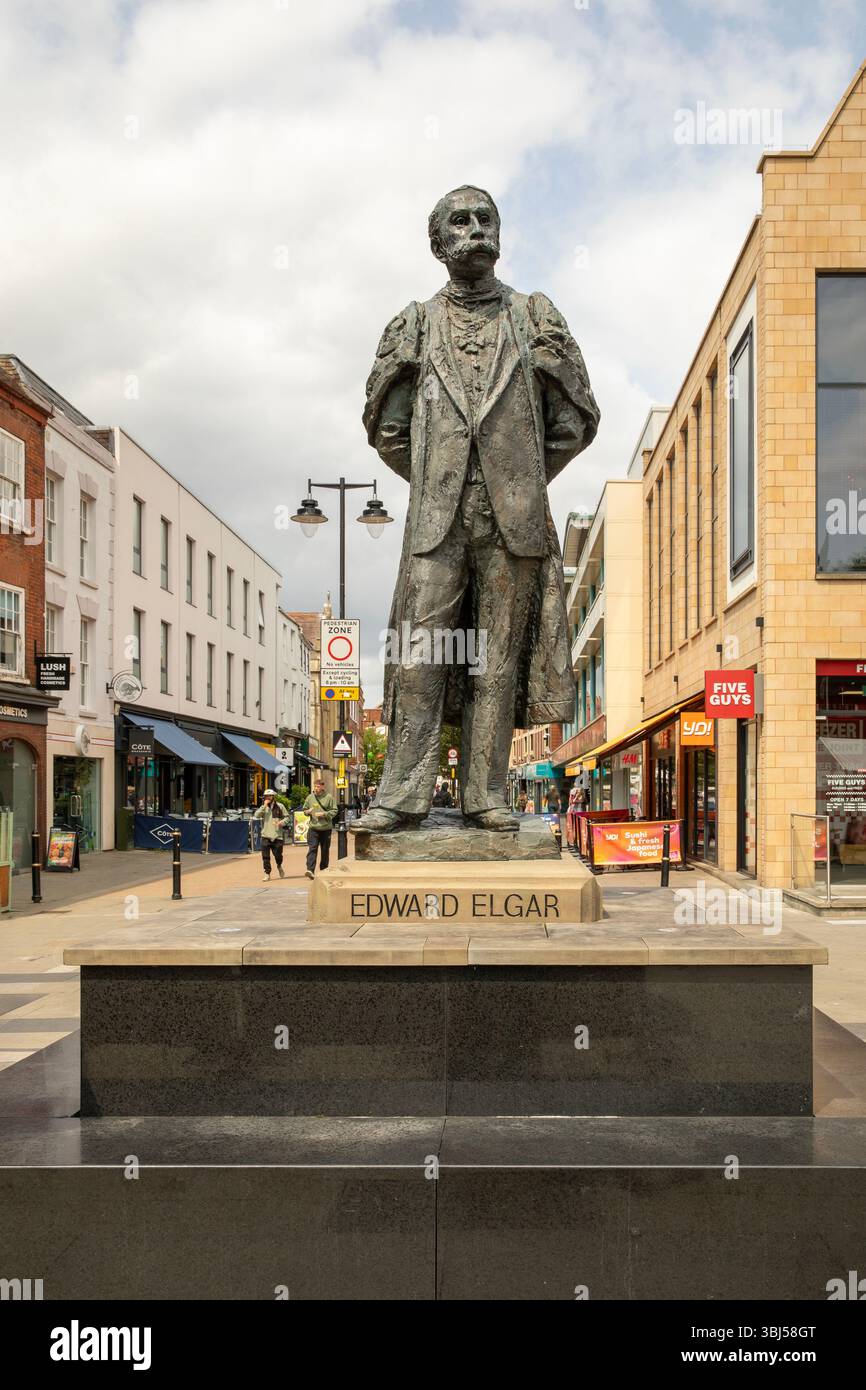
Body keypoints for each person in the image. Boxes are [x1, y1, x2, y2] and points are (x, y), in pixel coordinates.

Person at [351, 185, 599, 836]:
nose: (474, 230)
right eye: (459, 222)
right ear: (437, 243)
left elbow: (573, 421)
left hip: (511, 522)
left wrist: (515, 477)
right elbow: (388, 430)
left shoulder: (533, 315)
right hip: (439, 519)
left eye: (485, 219)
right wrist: (440, 478)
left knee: (495, 661)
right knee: (420, 654)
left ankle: (485, 797)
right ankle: (402, 795)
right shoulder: (414, 323)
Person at [302, 777, 339, 879]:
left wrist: (324, 814)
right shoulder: (310, 797)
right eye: (315, 786)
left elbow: (335, 810)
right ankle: (310, 870)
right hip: (313, 828)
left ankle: (323, 869)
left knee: (325, 850)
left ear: (323, 786)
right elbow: (304, 809)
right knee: (312, 848)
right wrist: (307, 812)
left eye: (318, 786)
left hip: (325, 828)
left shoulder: (329, 797)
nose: (316, 788)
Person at [254, 789, 286, 882]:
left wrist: (282, 822)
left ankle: (279, 866)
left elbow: (287, 817)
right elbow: (256, 815)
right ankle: (267, 873)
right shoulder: (263, 807)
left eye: (270, 796)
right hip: (266, 835)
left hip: (277, 835)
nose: (268, 798)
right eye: (266, 796)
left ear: (273, 797)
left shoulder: (280, 806)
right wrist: (264, 806)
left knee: (278, 855)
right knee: (265, 856)